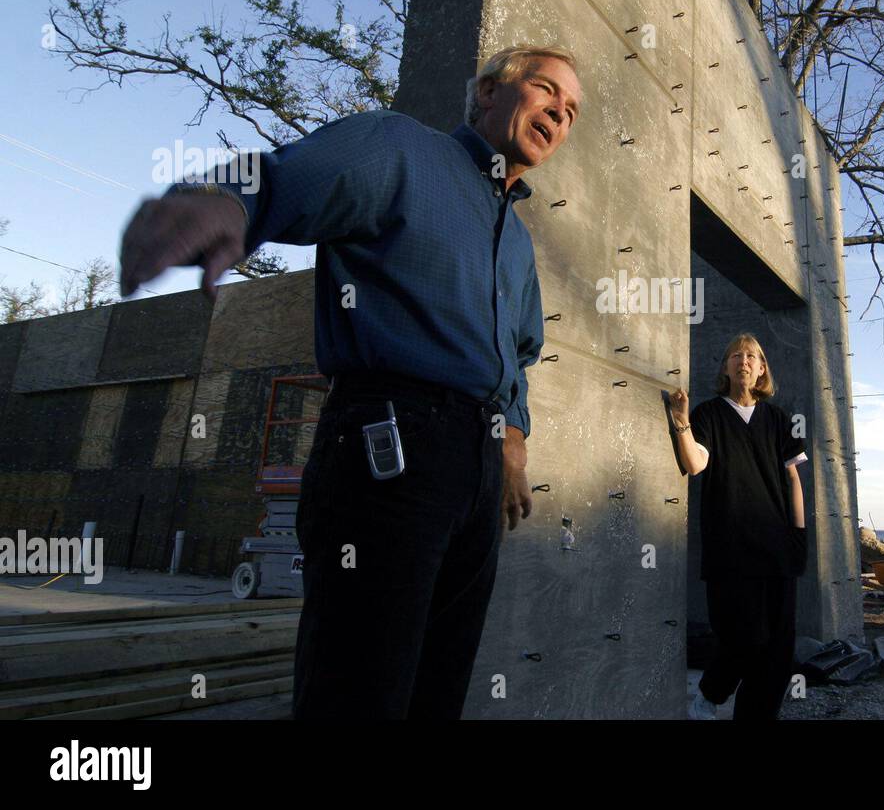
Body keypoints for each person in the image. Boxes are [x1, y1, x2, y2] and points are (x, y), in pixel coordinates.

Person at [118, 44, 582, 719]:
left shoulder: (517, 239)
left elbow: (518, 352)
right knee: (361, 694)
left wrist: (512, 442)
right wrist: (223, 205)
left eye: (569, 112)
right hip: (387, 452)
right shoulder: (400, 150)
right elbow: (282, 180)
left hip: (478, 476)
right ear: (489, 93)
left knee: (437, 691)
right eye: (545, 91)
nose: (558, 113)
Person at [669, 333, 808, 720]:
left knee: (778, 653)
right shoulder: (708, 414)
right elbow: (695, 464)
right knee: (744, 639)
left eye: (751, 356)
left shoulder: (778, 419)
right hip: (729, 551)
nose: (743, 361)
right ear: (726, 367)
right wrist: (681, 423)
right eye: (735, 355)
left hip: (779, 548)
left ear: (762, 369)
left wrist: (799, 535)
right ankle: (711, 694)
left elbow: (794, 480)